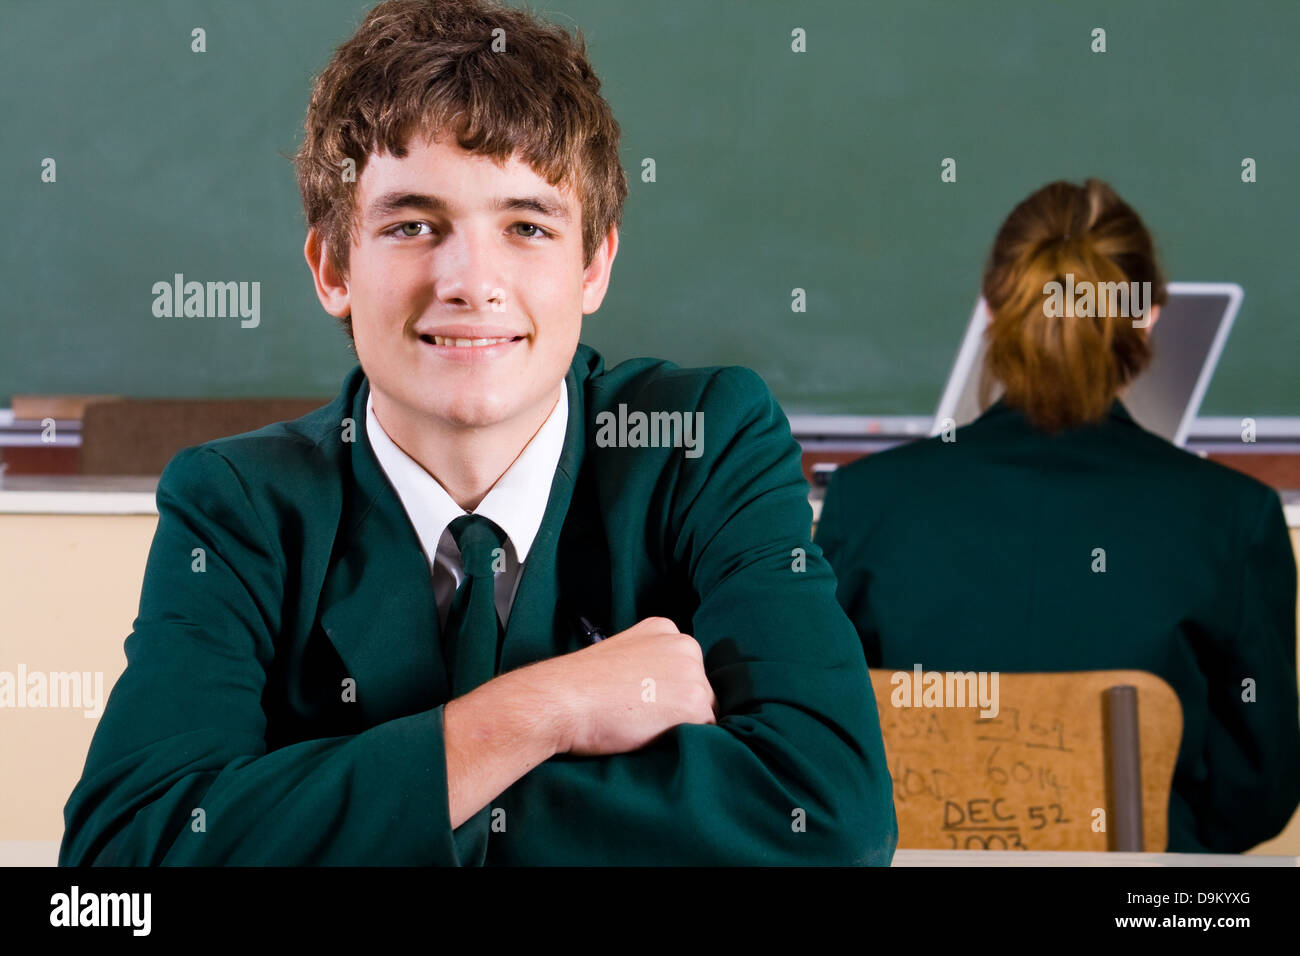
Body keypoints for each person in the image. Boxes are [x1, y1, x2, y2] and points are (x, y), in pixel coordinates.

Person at [58, 0, 896, 866]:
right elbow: (123, 867)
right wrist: (541, 711)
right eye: (414, 225)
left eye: (527, 227)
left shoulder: (702, 443)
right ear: (334, 268)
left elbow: (826, 821)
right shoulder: (238, 509)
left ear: (595, 263)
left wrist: (369, 814)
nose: (472, 282)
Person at [815, 177, 1300, 853]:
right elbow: (1258, 794)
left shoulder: (867, 504)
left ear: (991, 309)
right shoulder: (1234, 518)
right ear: (1149, 315)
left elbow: (823, 752)